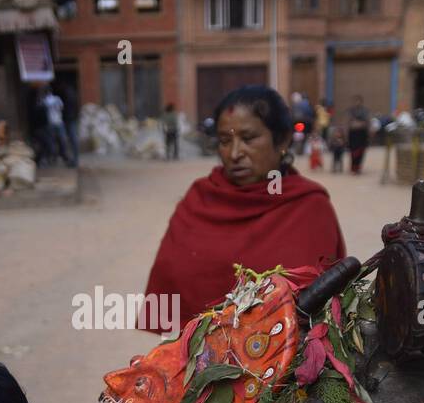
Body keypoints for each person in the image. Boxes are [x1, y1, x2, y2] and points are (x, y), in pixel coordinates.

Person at [141, 84, 347, 330]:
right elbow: (171, 280)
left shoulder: (310, 207)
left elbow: (325, 306)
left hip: (289, 363)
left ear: (282, 140)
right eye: (225, 141)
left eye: (248, 139)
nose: (234, 153)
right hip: (198, 361)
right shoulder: (200, 199)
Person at [41, 84, 75, 167]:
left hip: (52, 123)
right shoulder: (56, 99)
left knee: (54, 142)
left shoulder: (45, 100)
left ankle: (56, 157)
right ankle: (59, 156)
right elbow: (61, 108)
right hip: (58, 122)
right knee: (61, 141)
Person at [57, 80, 81, 166]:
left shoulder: (67, 94)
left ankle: (73, 159)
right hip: (71, 118)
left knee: (71, 138)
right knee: (71, 138)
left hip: (69, 119)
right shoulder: (71, 93)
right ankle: (72, 159)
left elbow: (68, 108)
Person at [346, 96, 371, 174]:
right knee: (353, 151)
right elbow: (348, 122)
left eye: (359, 101)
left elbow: (367, 122)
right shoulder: (351, 111)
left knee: (361, 151)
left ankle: (358, 167)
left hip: (362, 134)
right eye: (356, 101)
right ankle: (353, 167)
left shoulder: (365, 111)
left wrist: (361, 124)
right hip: (353, 134)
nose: (357, 102)